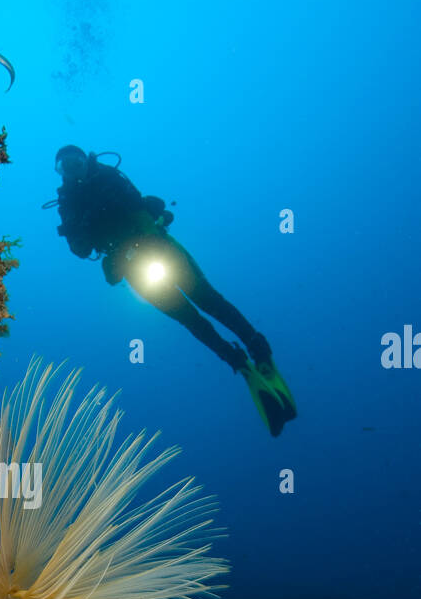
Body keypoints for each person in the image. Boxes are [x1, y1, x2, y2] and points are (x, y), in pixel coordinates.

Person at [49, 145, 297, 436]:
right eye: (65, 166)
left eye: (76, 162)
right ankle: (238, 364)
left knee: (209, 299)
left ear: (86, 160)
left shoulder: (109, 177)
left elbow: (140, 202)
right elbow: (79, 249)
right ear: (61, 172)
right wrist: (79, 231)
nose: (73, 169)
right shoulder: (67, 203)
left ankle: (259, 350)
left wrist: (153, 215)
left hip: (159, 246)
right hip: (131, 265)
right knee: (188, 319)